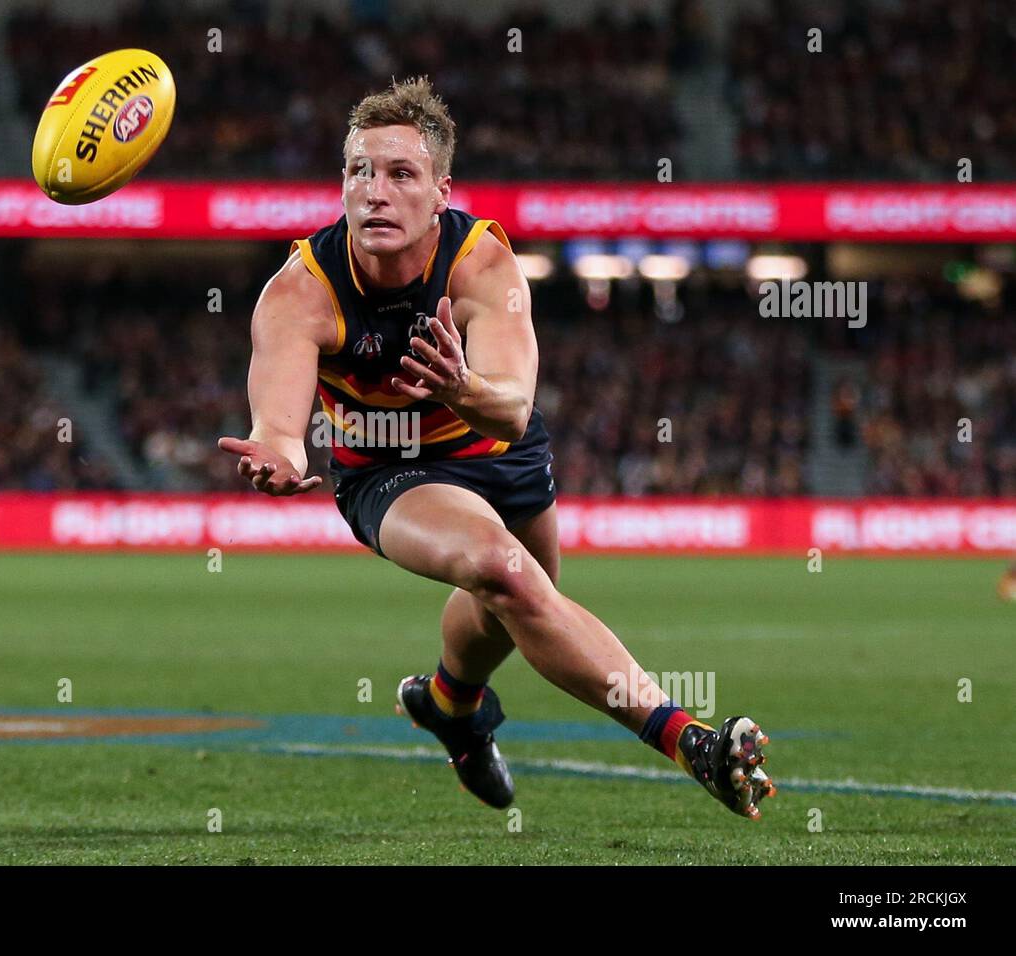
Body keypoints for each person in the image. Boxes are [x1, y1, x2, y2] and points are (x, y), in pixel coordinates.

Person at [218, 77, 775, 819]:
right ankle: (689, 739)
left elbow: (512, 411)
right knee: (503, 572)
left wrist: (458, 387)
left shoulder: (484, 265)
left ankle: (450, 703)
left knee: (518, 596)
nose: (375, 192)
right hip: (388, 467)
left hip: (496, 446)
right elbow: (280, 424)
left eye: (400, 175)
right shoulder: (300, 291)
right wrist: (279, 454)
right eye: (359, 172)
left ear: (441, 192)